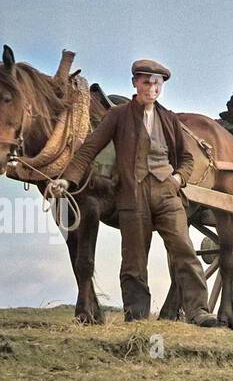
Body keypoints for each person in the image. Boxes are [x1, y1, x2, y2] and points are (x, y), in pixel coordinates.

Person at [50, 59, 217, 326]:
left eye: (156, 83)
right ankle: (137, 318)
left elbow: (187, 159)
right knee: (133, 263)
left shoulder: (169, 119)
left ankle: (199, 311)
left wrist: (177, 179)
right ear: (135, 83)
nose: (151, 87)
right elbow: (88, 150)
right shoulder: (118, 116)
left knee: (184, 251)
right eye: (146, 82)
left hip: (167, 196)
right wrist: (67, 181)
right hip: (132, 197)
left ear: (161, 86)